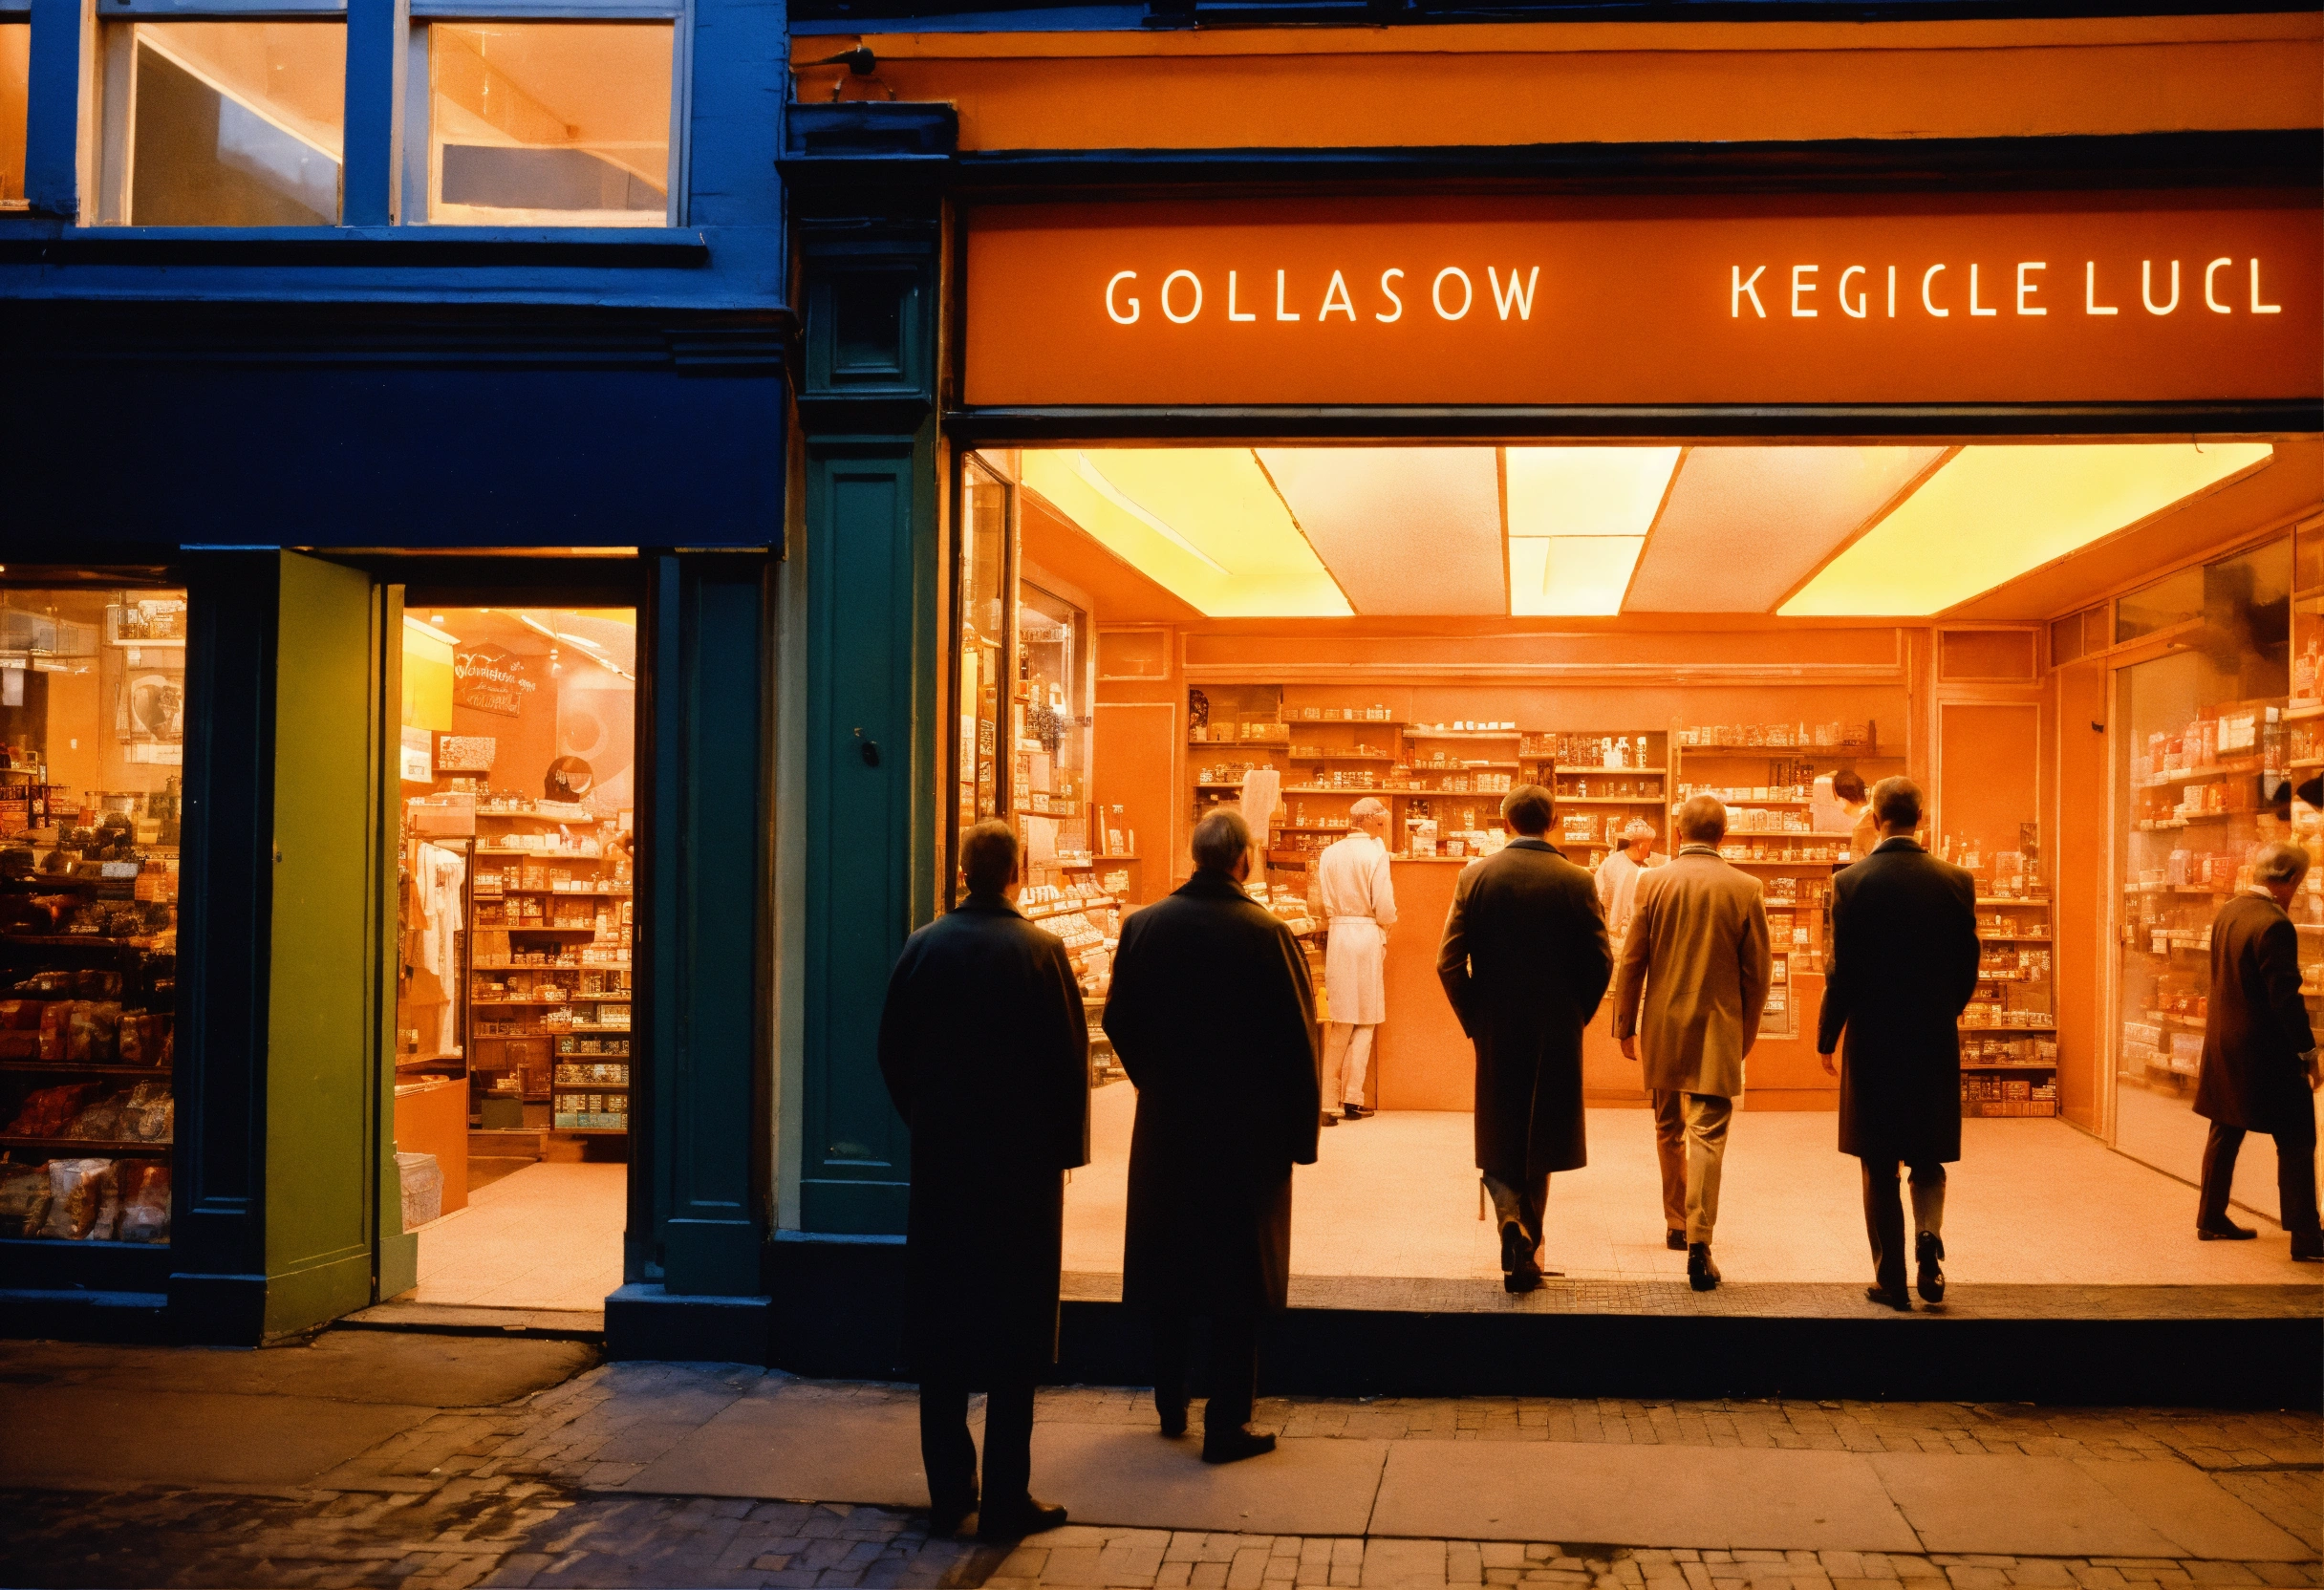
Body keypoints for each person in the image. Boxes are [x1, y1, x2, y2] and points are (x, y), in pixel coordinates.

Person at [876, 820, 1089, 1540]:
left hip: (944, 1166)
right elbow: (1069, 1066)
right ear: (1016, 872)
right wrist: (1063, 1155)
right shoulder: (1042, 952)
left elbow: (892, 1053)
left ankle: (948, 1491)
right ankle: (1005, 1495)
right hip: (1020, 1173)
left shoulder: (923, 947)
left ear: (962, 872)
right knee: (1015, 1333)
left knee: (942, 1329)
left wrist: (927, 1122)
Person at [1103, 808, 1321, 1463]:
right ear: (1243, 861)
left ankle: (1171, 1401)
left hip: (1168, 1127)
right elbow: (1296, 1044)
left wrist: (1156, 1080)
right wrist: (1298, 1135)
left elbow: (1117, 1021)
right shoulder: (1267, 934)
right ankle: (1228, 1422)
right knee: (1237, 1276)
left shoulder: (1143, 928)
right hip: (1245, 1135)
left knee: (1169, 1266)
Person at [1436, 784, 1612, 1293]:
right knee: (1543, 1134)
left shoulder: (1476, 876)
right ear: (1553, 821)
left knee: (1498, 1129)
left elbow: (1447, 960)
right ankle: (1528, 1247)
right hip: (1555, 1024)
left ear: (1504, 822)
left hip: (1496, 1021)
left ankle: (1509, 1218)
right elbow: (1602, 960)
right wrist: (1577, 1012)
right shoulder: (1577, 879)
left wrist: (1475, 1017)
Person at [1815, 777, 1980, 1310]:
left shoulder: (1852, 883)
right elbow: (1968, 964)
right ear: (1920, 817)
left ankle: (1891, 1279)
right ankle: (1928, 1237)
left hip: (1875, 1036)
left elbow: (1842, 972)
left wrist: (1827, 1035)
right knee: (1928, 1152)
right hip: (1932, 1035)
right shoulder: (1956, 880)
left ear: (1877, 818)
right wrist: (1944, 1008)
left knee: (1878, 1160)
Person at [1612, 794, 1773, 1289]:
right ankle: (1701, 1240)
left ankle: (1676, 1223)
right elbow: (1758, 974)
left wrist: (1625, 1024)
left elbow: (1633, 959)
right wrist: (1744, 1034)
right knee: (1709, 1132)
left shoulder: (1652, 882)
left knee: (1667, 1126)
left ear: (1679, 835)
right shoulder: (1746, 888)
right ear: (1724, 836)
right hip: (1719, 1027)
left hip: (1662, 1023)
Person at [2192, 839, 2324, 1261]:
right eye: (2298, 884)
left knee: (2225, 1129)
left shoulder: (2230, 910)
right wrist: (2308, 1052)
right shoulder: (2274, 924)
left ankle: (2210, 1216)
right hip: (2266, 1055)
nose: (2297, 893)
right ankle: (2306, 1236)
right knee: (2298, 1139)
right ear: (2286, 880)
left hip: (2225, 1042)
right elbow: (2285, 999)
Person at [1317, 797, 1397, 1125]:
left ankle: (1326, 1102)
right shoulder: (1376, 853)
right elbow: (1385, 905)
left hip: (1339, 935)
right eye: (1380, 822)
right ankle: (1352, 1097)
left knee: (1340, 1020)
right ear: (1368, 821)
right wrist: (1386, 925)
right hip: (1366, 935)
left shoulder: (1329, 853)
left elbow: (1323, 899)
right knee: (1366, 1019)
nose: (1382, 827)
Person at [1595, 818, 1666, 942]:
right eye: (1649, 846)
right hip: (1625, 934)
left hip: (1604, 932)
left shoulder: (1611, 860)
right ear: (1641, 846)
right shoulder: (1633, 872)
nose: (1649, 852)